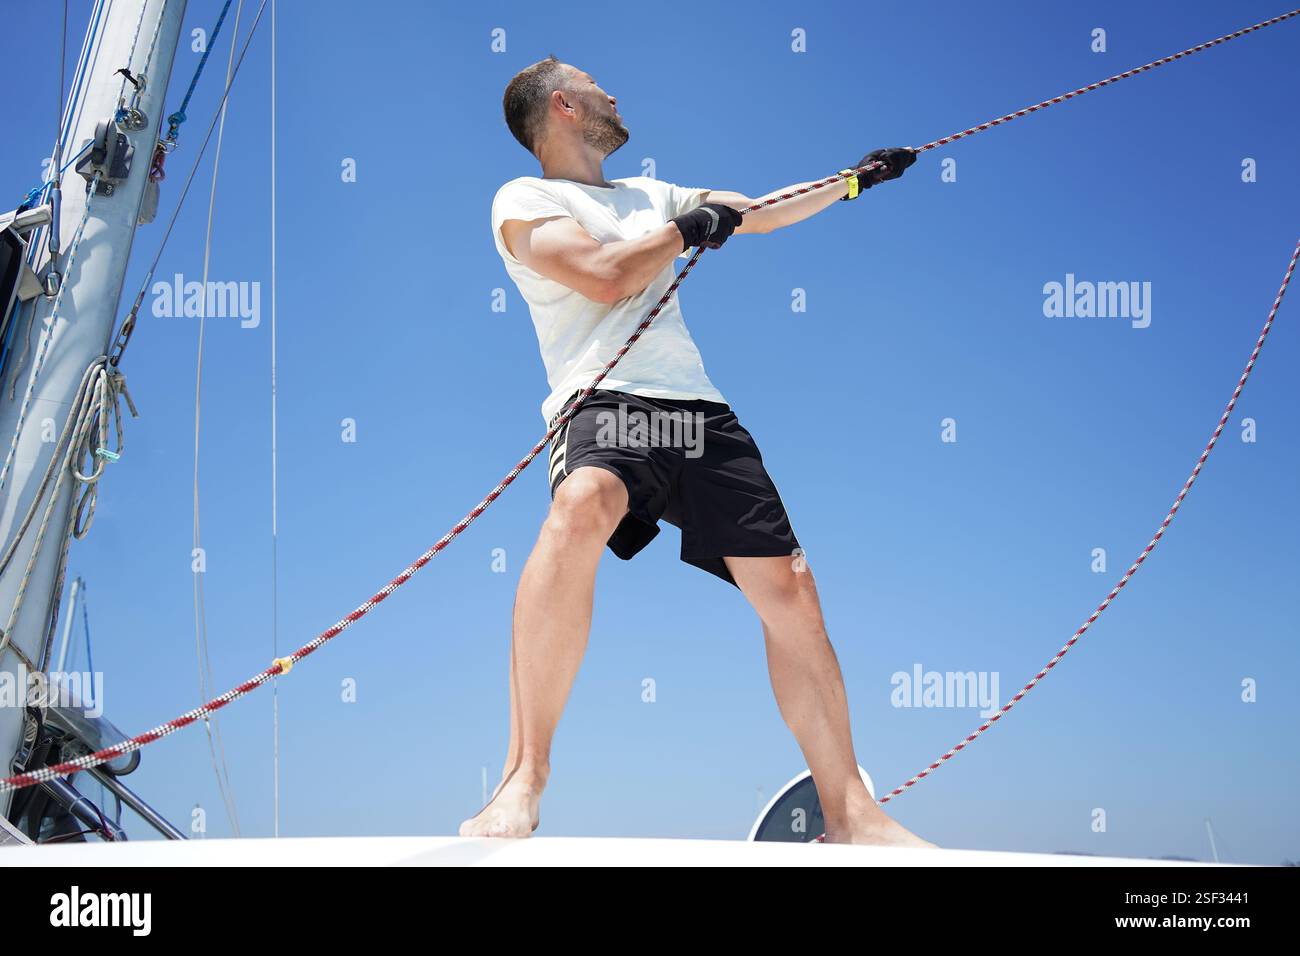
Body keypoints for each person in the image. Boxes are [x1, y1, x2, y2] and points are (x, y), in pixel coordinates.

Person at [464, 55, 931, 847]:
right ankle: (524, 777)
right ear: (566, 108)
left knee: (790, 584)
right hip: (606, 400)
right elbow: (602, 276)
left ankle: (852, 815)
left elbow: (758, 211)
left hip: (698, 411)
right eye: (597, 86)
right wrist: (685, 230)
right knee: (584, 504)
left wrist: (852, 181)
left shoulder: (654, 192)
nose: (616, 92)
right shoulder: (526, 199)